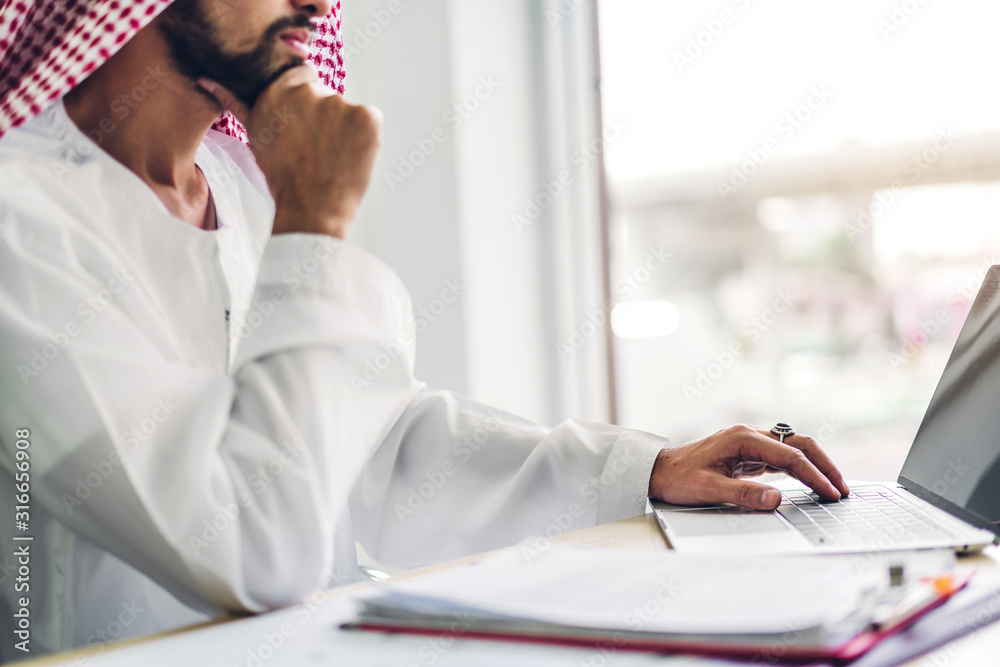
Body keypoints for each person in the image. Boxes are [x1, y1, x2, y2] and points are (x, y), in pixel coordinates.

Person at [0, 0, 850, 660]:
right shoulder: (19, 219)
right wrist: (314, 221)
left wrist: (642, 470)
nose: (317, 5)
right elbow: (249, 550)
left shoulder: (242, 184)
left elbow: (372, 441)